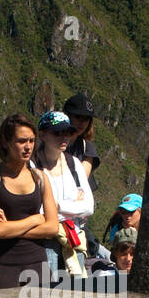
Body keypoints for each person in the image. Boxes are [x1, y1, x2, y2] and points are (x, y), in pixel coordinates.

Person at [0, 113, 59, 289]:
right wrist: (35, 220)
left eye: (32, 141)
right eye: (22, 141)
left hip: (38, 265)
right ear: (5, 142)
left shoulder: (40, 177)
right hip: (3, 267)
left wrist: (10, 226)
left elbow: (53, 227)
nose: (28, 147)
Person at [32, 110, 94, 277]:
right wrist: (73, 206)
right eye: (58, 133)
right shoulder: (32, 166)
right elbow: (37, 211)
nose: (64, 137)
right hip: (45, 241)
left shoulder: (73, 164)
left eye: (67, 133)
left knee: (75, 296)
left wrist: (56, 205)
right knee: (48, 293)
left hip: (74, 239)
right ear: (43, 135)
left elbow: (89, 207)